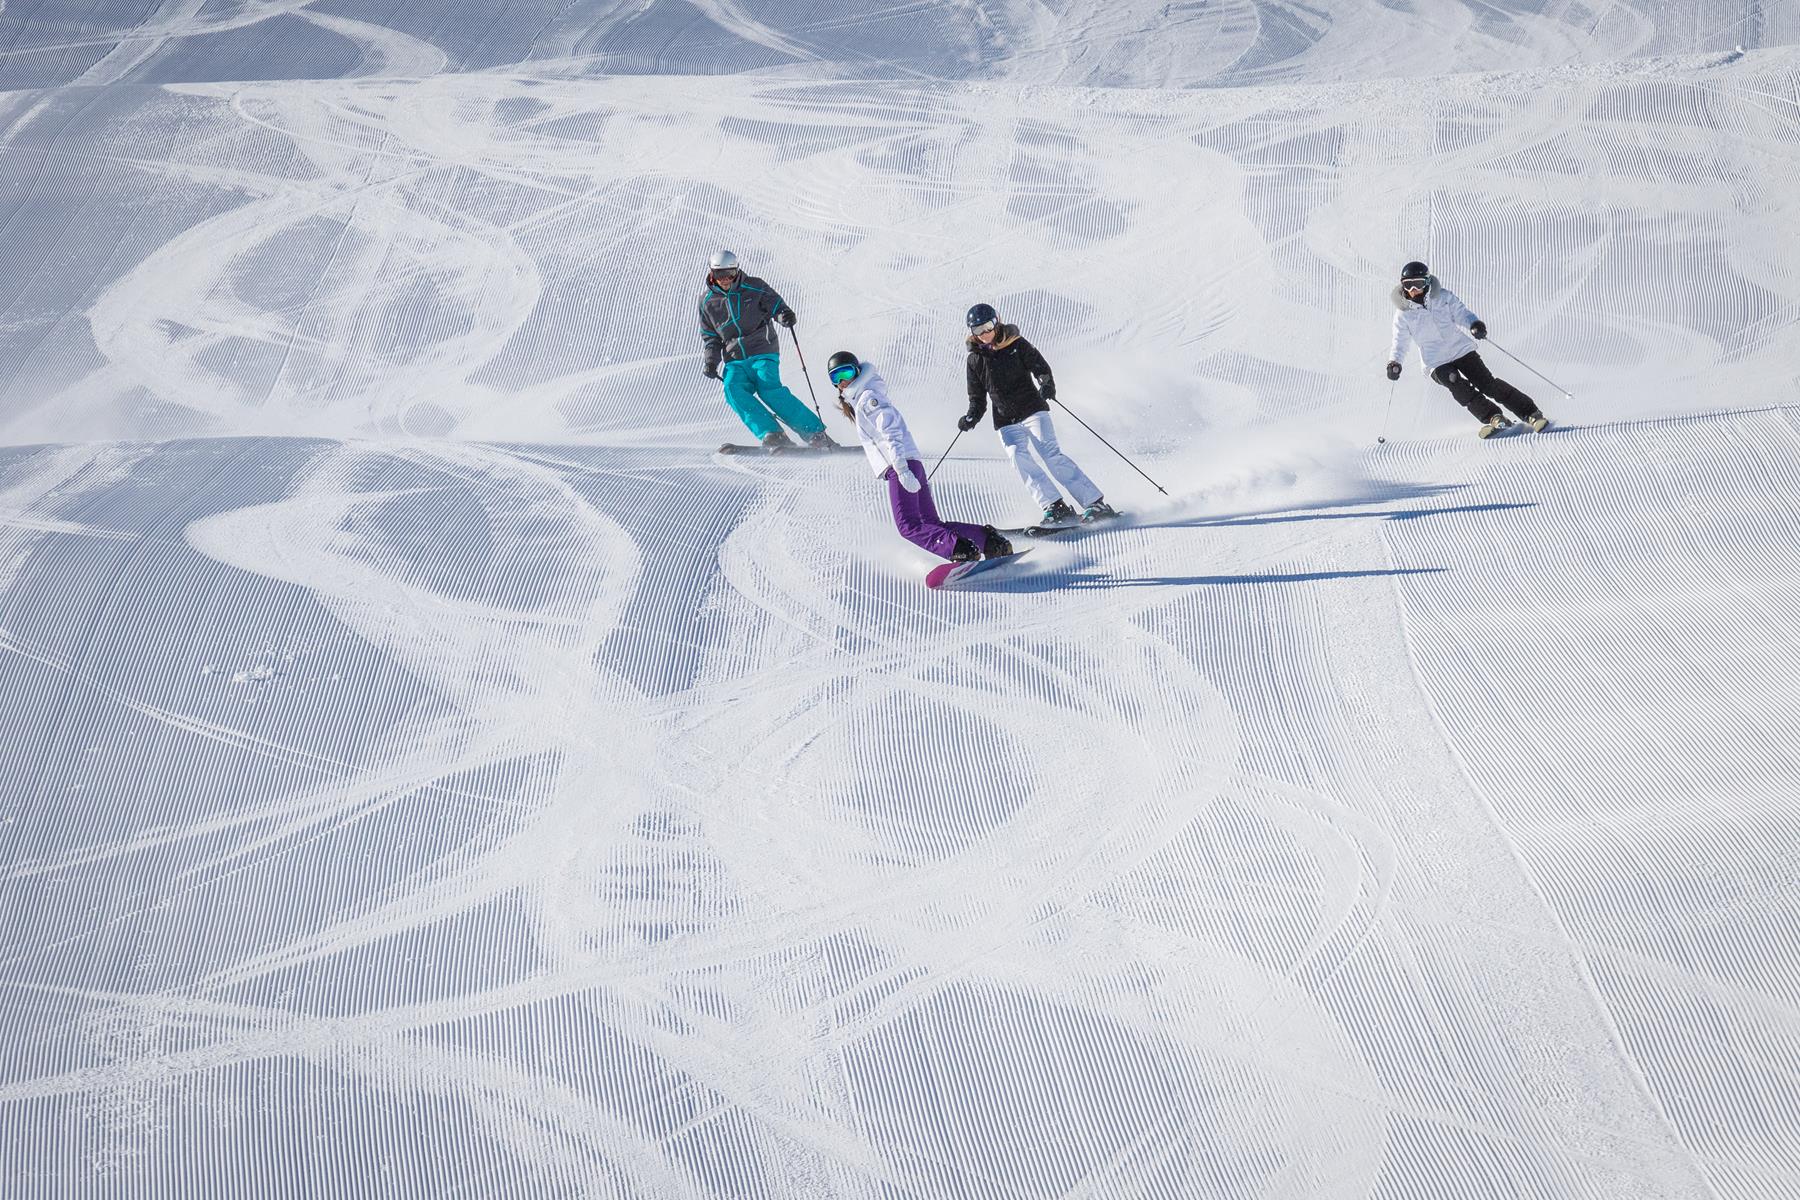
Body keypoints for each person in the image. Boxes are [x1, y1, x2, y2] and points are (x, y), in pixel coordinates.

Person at [829, 350, 1012, 563]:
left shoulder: (868, 399)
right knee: (930, 522)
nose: (843, 381)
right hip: (909, 463)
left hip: (900, 465)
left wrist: (901, 469)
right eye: (836, 377)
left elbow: (892, 432)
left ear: (857, 371)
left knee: (908, 525)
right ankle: (989, 542)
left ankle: (960, 550)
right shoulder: (864, 397)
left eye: (846, 372)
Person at [960, 303, 1117, 525]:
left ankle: (1095, 503)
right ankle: (1054, 506)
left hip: (1032, 409)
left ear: (997, 321)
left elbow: (1040, 367)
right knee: (1017, 457)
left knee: (1050, 454)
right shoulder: (974, 360)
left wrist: (1046, 384)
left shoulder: (1016, 344)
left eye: (987, 326)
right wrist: (971, 417)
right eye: (978, 330)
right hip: (1005, 420)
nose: (984, 334)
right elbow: (977, 398)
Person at [1386, 261, 1550, 438]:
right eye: (1407, 285)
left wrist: (1474, 324)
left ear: (1426, 282)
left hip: (1461, 349)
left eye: (1416, 283)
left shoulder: (1442, 298)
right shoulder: (1403, 314)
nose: (1412, 290)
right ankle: (1494, 417)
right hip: (1435, 361)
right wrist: (1394, 362)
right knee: (1456, 384)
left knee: (1488, 384)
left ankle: (1531, 413)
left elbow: (1462, 313)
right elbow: (1399, 341)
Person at [699, 250, 839, 451]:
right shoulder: (706, 302)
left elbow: (776, 305)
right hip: (734, 358)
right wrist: (711, 361)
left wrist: (783, 315)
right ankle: (773, 434)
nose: (725, 280)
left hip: (762, 349)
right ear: (712, 273)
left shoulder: (754, 286)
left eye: (730, 274)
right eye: (720, 275)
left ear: (737, 270)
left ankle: (815, 433)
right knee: (733, 390)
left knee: (769, 389)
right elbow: (710, 336)